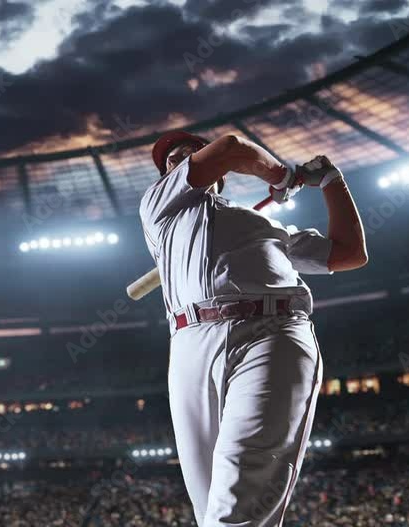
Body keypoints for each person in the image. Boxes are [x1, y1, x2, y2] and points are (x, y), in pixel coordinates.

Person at [139, 131, 368, 526]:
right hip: (189, 342)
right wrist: (282, 177)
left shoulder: (266, 223)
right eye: (171, 160)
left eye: (190, 152)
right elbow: (230, 147)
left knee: (238, 509)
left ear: (224, 177)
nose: (179, 160)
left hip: (272, 332)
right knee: (208, 509)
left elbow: (350, 253)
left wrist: (332, 181)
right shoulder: (159, 205)